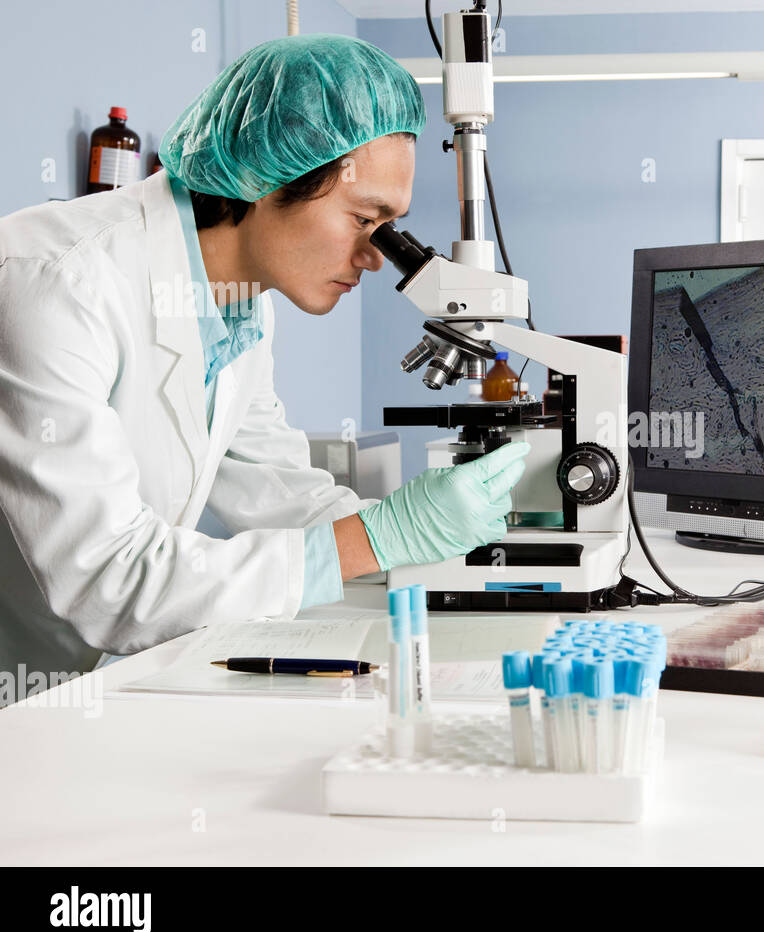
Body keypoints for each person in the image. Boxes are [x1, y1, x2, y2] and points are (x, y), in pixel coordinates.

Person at [0, 34, 528, 698]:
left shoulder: (244, 306)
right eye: (366, 219)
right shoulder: (56, 281)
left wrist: (433, 548)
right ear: (265, 176)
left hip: (66, 689)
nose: (375, 258)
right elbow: (110, 577)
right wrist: (383, 536)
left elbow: (277, 493)